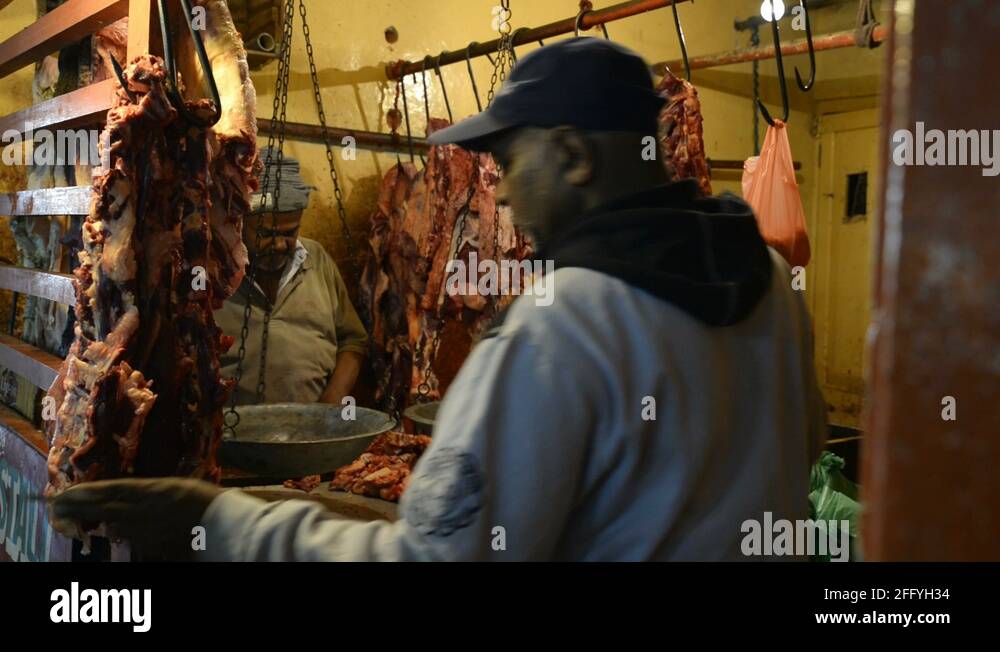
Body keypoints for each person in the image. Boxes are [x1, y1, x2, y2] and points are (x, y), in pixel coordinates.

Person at [52, 38, 826, 561]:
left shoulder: (561, 331)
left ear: (573, 159)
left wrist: (215, 520)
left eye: (512, 163)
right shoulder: (769, 291)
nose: (508, 194)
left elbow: (432, 557)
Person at [214, 148, 368, 406]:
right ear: (238, 223)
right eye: (266, 234)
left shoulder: (316, 258)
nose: (280, 245)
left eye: (290, 232)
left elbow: (353, 340)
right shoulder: (214, 272)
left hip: (309, 431)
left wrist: (330, 404)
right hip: (234, 436)